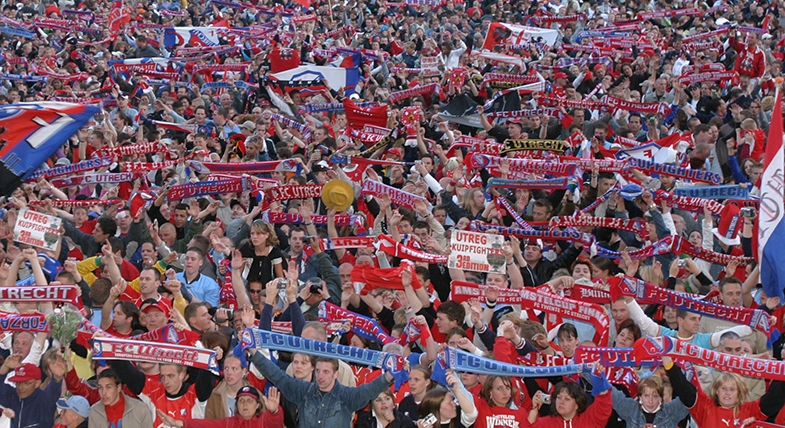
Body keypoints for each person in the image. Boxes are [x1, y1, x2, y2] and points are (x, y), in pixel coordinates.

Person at [246, 347, 397, 428]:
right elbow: (277, 376)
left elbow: (371, 389)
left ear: (336, 374)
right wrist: (253, 351)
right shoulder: (303, 391)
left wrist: (392, 374)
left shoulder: (347, 396)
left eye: (326, 372)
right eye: (318, 371)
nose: (320, 376)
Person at [663, 356, 785, 426]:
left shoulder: (749, 410)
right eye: (723, 388)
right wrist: (669, 365)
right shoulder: (704, 406)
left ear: (739, 392)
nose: (727, 393)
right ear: (716, 391)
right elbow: (684, 389)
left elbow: (774, 399)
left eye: (732, 389)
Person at [157, 385, 284, 428]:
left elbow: (275, 421)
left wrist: (274, 410)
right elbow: (206, 425)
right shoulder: (229, 423)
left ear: (257, 405)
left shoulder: (264, 420)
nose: (244, 404)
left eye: (249, 401)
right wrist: (180, 423)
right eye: (241, 400)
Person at [528, 368, 613, 427]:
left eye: (567, 399)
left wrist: (599, 381)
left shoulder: (589, 419)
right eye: (559, 397)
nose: (561, 402)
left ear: (577, 404)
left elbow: (604, 405)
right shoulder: (547, 423)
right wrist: (535, 408)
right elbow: (528, 426)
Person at [0, 357, 65, 428]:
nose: (20, 387)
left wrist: (57, 377)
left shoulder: (44, 400)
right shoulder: (12, 395)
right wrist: (5, 367)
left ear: (37, 383)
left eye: (26, 383)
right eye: (18, 382)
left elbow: (53, 392)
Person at [610, 375, 689, 428]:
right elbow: (609, 391)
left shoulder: (671, 410)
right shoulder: (631, 409)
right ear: (640, 397)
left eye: (655, 396)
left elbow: (691, 396)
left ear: (661, 397)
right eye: (646, 396)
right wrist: (599, 374)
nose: (650, 401)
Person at [88, 369, 153, 428]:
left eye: (108, 387)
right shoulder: (94, 411)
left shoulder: (140, 409)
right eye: (100, 388)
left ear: (118, 387)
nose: (104, 393)